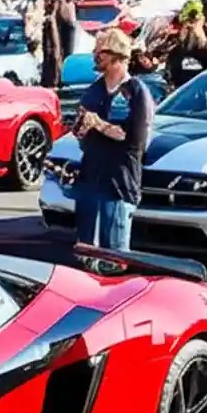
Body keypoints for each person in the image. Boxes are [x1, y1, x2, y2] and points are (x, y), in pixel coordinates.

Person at [71, 28, 154, 250]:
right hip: (90, 182)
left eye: (100, 52)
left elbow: (132, 139)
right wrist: (81, 127)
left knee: (114, 256)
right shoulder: (94, 90)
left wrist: (98, 123)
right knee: (86, 251)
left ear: (117, 55)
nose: (95, 56)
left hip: (118, 184)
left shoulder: (136, 92)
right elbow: (80, 136)